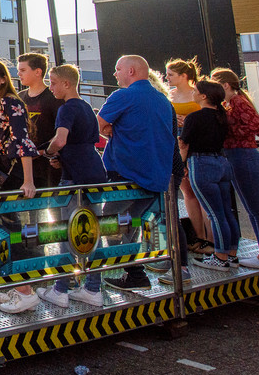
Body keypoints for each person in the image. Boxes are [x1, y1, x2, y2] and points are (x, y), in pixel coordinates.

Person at [97, 55, 176, 291]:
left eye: (118, 69)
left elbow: (98, 124)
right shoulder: (162, 99)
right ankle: (135, 274)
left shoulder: (123, 96)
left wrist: (114, 133)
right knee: (132, 225)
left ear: (131, 71)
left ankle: (98, 277)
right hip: (155, 175)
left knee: (109, 224)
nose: (115, 74)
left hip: (126, 173)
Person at [37, 64, 109, 307]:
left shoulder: (66, 109)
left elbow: (60, 139)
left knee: (66, 232)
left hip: (75, 178)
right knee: (92, 231)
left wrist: (46, 152)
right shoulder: (87, 107)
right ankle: (92, 287)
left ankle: (60, 288)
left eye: (54, 82)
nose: (51, 87)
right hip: (94, 172)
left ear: (67, 84)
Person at [0, 59, 41, 314]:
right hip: (3, 171)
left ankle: (26, 291)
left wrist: (28, 180)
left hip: (12, 173)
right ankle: (20, 287)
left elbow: (23, 141)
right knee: (4, 224)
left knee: (9, 226)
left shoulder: (9, 102)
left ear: (3, 78)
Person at [211, 68, 259, 268]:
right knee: (251, 208)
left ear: (225, 85)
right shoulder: (230, 103)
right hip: (236, 155)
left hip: (243, 155)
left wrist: (230, 131)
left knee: (255, 208)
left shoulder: (238, 102)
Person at [180, 81, 242, 271]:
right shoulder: (222, 116)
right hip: (222, 162)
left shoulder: (194, 118)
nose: (193, 93)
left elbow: (184, 144)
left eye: (196, 91)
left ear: (204, 96)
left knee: (215, 213)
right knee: (226, 211)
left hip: (201, 163)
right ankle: (232, 253)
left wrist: (179, 164)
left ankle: (220, 256)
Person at [166, 58, 212, 255]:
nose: (167, 78)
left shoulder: (198, 95)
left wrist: (190, 121)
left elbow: (207, 117)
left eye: (171, 74)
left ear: (184, 76)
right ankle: (199, 237)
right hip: (178, 146)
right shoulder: (170, 96)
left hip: (198, 146)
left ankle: (211, 239)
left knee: (202, 194)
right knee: (188, 194)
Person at [18, 53, 62, 186]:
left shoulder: (54, 98)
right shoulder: (19, 97)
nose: (19, 74)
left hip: (47, 167)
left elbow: (60, 133)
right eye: (18, 70)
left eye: (23, 70)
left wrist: (42, 152)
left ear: (38, 72)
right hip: (22, 168)